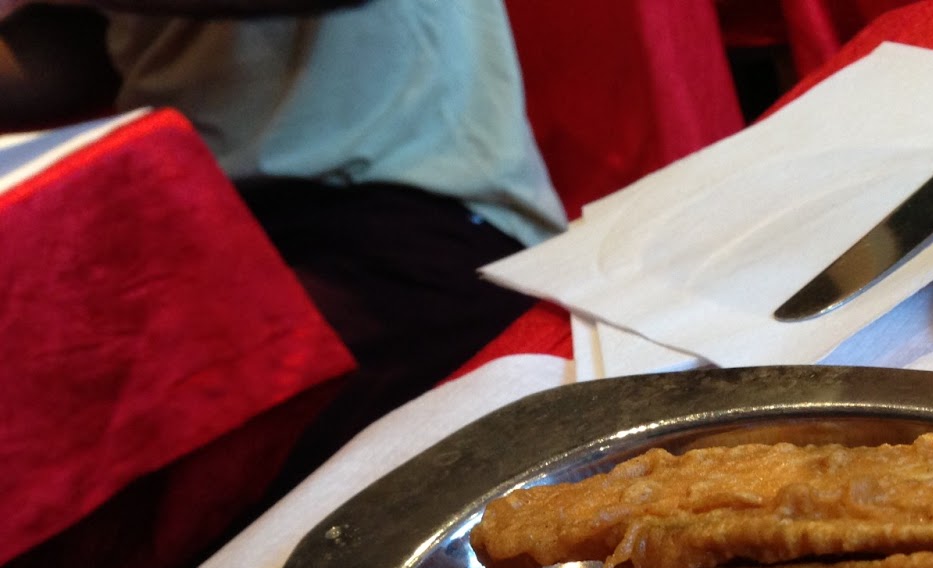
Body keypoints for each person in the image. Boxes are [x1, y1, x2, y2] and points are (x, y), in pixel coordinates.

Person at [1, 0, 567, 485]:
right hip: (199, 215)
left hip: (410, 203)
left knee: (164, 440)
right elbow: (97, 44)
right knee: (42, 432)